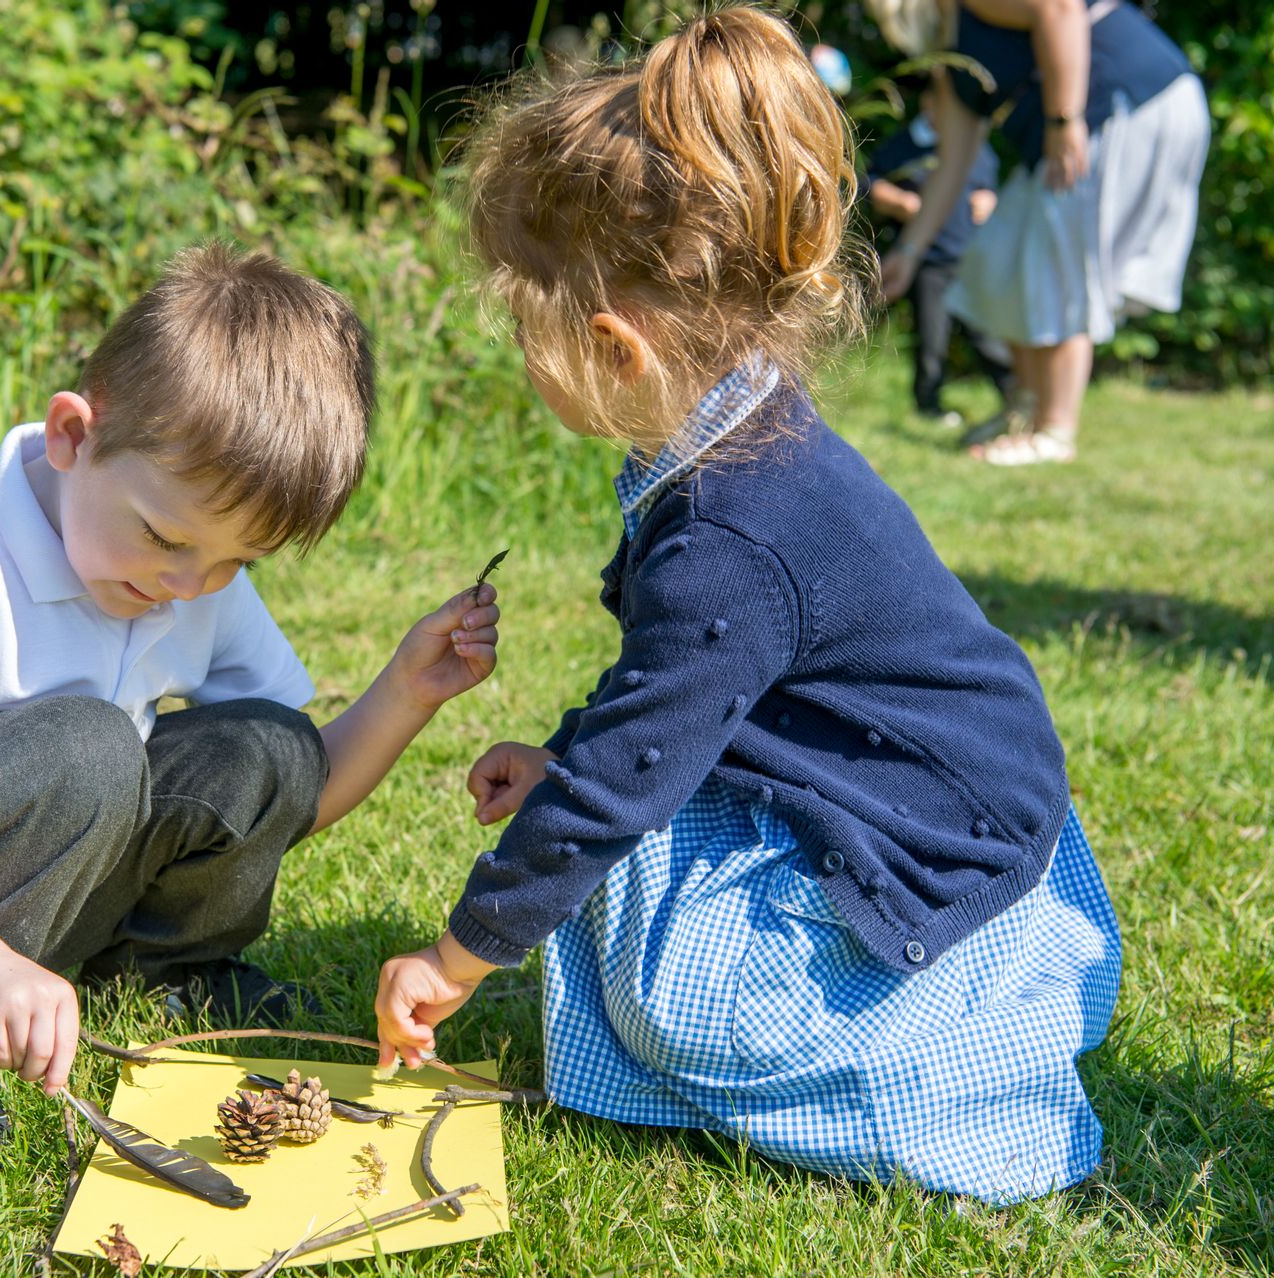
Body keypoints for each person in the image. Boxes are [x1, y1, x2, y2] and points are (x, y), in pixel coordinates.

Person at [372, 7, 1120, 1204]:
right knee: (630, 886)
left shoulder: (729, 531)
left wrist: (459, 955)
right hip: (901, 789)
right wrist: (563, 755)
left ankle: (952, 1062)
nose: (517, 350)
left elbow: (632, 769)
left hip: (930, 845)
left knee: (677, 1005)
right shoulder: (739, 433)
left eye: (521, 323)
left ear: (612, 345)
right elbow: (676, 696)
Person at [0, 245, 503, 1156]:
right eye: (164, 537)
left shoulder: (188, 578)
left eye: (236, 561)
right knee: (93, 745)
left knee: (267, 744)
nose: (189, 585)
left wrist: (405, 693)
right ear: (72, 436)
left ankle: (165, 972)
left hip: (61, 876)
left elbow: (284, 791)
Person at [870, 0, 1209, 465]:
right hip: (1088, 121)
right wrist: (909, 251)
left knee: (1057, 264)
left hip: (1125, 99)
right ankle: (1024, 412)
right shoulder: (950, 62)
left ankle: (1054, 432)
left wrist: (1063, 119)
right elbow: (953, 165)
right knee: (998, 255)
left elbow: (1060, 8)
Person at [862, 93, 1020, 427]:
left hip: (968, 257)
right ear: (927, 103)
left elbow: (987, 183)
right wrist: (896, 200)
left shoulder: (974, 143)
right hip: (928, 261)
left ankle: (1016, 396)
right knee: (932, 338)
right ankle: (929, 406)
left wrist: (990, 198)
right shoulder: (905, 144)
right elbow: (868, 182)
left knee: (986, 334)